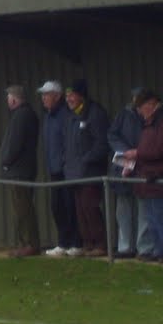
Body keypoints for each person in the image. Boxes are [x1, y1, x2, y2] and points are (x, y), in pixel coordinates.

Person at [126, 90, 163, 264]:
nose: (139, 112)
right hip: (148, 178)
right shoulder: (150, 123)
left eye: (141, 107)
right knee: (152, 218)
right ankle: (159, 249)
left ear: (151, 104)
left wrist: (137, 153)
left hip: (159, 177)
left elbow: (161, 149)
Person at [64, 80, 111, 256]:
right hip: (74, 172)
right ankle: (88, 243)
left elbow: (102, 143)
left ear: (81, 95)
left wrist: (85, 160)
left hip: (91, 171)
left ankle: (100, 244)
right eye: (67, 95)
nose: (69, 99)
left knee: (90, 207)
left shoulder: (95, 113)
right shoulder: (69, 117)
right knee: (80, 209)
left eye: (72, 95)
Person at [107, 87, 152, 259]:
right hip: (124, 165)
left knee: (144, 209)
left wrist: (140, 151)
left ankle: (144, 247)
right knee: (123, 209)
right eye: (135, 98)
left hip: (143, 164)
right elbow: (112, 135)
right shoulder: (123, 114)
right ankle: (125, 247)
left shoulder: (151, 117)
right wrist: (125, 151)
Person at [0, 84, 41, 257]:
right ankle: (26, 242)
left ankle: (30, 243)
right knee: (22, 208)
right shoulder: (25, 115)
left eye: (8, 97)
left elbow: (15, 144)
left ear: (14, 98)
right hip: (23, 169)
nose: (7, 100)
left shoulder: (22, 116)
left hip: (19, 170)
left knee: (23, 209)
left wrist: (6, 161)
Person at [37, 81, 77, 256]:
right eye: (43, 95)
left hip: (66, 170)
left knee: (70, 207)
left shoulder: (65, 115)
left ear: (57, 96)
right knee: (57, 206)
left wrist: (64, 162)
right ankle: (63, 242)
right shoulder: (48, 116)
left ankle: (75, 243)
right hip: (53, 170)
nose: (43, 98)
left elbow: (69, 142)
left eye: (47, 94)